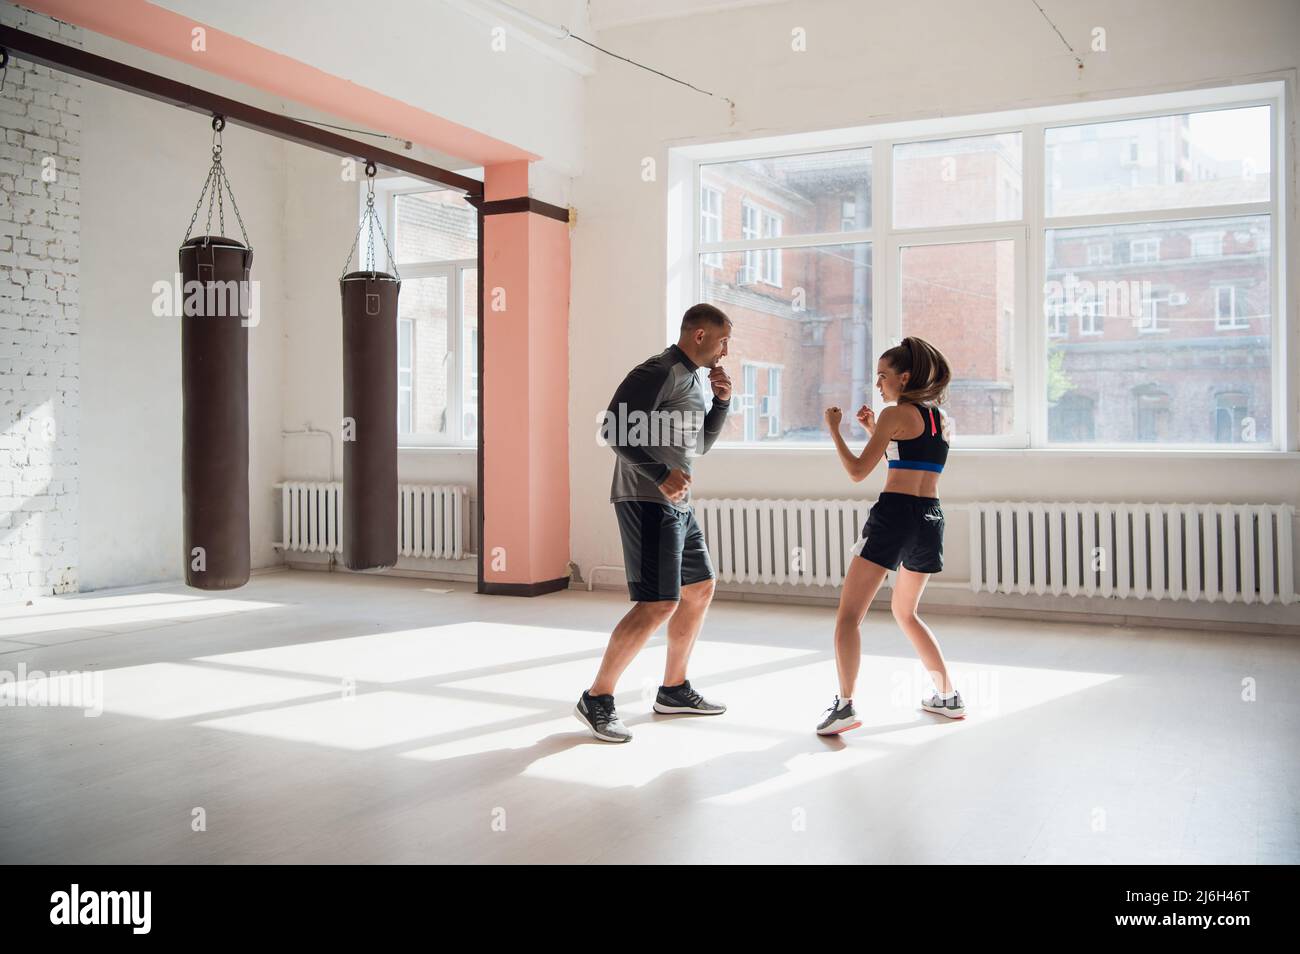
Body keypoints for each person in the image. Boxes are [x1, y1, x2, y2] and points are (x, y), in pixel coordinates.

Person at [574, 303, 734, 743]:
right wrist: (661, 475)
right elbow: (612, 429)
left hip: (676, 502)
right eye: (723, 340)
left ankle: (675, 688)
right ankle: (598, 698)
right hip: (645, 498)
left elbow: (699, 444)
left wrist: (721, 402)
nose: (726, 350)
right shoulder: (659, 370)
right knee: (659, 602)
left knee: (699, 587)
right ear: (699, 335)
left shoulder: (692, 380)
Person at [816, 336, 964, 735]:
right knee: (906, 612)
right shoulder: (942, 420)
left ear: (905, 377)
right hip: (930, 518)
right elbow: (910, 459)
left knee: (849, 617)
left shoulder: (894, 414)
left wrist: (834, 430)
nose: (878, 385)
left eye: (882, 377)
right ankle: (948, 696)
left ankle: (845, 706)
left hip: (894, 516)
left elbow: (857, 473)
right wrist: (873, 430)